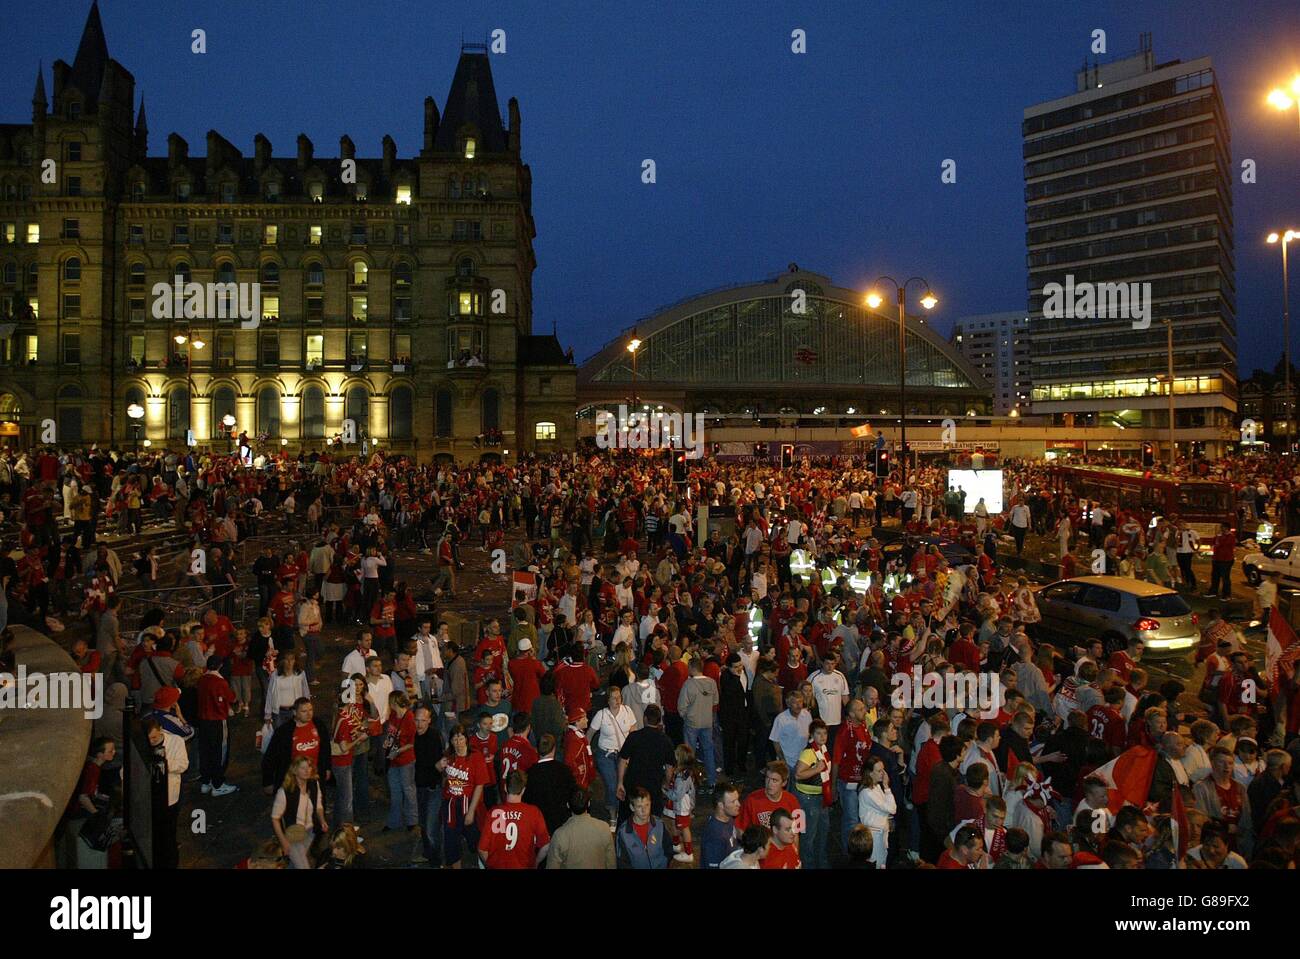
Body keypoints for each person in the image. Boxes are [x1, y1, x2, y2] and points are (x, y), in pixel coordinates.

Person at [477, 769, 551, 868]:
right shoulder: (533, 812)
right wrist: (535, 863)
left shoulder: (493, 813)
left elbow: (482, 849)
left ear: (505, 788)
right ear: (523, 790)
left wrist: (490, 865)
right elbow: (546, 846)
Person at [617, 703, 677, 825]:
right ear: (659, 720)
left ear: (644, 718)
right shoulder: (665, 741)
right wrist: (665, 782)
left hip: (632, 784)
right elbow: (670, 767)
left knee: (626, 819)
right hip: (653, 787)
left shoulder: (634, 737)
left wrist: (620, 782)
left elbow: (623, 760)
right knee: (652, 822)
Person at [142, 717, 188, 870]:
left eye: (154, 737)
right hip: (150, 797)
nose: (152, 741)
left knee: (169, 833)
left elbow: (183, 765)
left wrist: (164, 764)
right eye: (149, 738)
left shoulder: (176, 741)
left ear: (160, 730)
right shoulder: (142, 744)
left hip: (170, 795)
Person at [589, 684, 637, 827]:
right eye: (614, 698)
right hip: (606, 755)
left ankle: (624, 810)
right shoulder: (601, 715)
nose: (617, 700)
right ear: (608, 700)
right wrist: (587, 753)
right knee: (611, 785)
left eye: (619, 697)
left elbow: (633, 733)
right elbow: (589, 735)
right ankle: (612, 813)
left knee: (625, 783)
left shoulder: (628, 711)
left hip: (624, 756)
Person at [271, 755, 328, 869]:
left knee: (295, 864)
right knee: (303, 866)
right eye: (303, 768)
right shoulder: (285, 791)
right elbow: (275, 818)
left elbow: (318, 806)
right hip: (293, 835)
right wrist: (283, 841)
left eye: (309, 767)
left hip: (310, 832)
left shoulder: (314, 784)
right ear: (295, 770)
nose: (307, 770)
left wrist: (322, 820)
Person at [196, 654, 238, 796]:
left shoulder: (201, 680)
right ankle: (218, 784)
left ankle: (206, 781)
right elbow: (231, 697)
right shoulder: (220, 682)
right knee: (219, 752)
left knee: (205, 751)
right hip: (217, 721)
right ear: (220, 666)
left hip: (203, 721)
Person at [793, 720, 833, 869]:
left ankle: (821, 860)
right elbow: (798, 774)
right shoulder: (809, 752)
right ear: (811, 735)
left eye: (825, 733)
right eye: (818, 733)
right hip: (808, 799)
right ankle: (809, 864)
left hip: (821, 797)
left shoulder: (823, 749)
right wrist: (816, 769)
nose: (822, 736)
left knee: (823, 832)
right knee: (809, 836)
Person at [547, 788, 617, 869]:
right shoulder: (604, 828)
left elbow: (552, 866)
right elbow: (611, 864)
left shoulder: (560, 835)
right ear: (589, 804)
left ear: (568, 805)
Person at [523, 733, 579, 836]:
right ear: (554, 749)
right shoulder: (564, 770)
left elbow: (526, 799)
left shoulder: (530, 773)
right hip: (560, 823)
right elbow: (573, 794)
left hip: (537, 824)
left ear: (537, 749)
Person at [677, 657, 719, 792]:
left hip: (692, 722)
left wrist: (685, 716)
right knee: (708, 751)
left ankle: (690, 781)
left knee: (689, 753)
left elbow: (681, 706)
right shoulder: (711, 683)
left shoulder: (688, 685)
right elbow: (715, 701)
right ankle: (712, 780)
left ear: (691, 668)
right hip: (707, 722)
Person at [384, 690, 419, 832]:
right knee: (395, 791)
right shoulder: (393, 715)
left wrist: (397, 751)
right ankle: (395, 821)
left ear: (394, 703)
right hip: (394, 760)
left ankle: (412, 820)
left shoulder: (409, 718)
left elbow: (412, 742)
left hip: (406, 760)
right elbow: (391, 732)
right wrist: (387, 743)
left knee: (408, 789)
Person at [858, 754, 897, 868]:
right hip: (874, 836)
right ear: (870, 773)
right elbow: (892, 809)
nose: (883, 774)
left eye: (883, 770)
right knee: (876, 863)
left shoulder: (876, 787)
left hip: (881, 833)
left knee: (882, 862)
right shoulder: (867, 792)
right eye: (879, 771)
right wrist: (887, 787)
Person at [616, 786, 670, 868]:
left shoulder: (659, 825)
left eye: (647, 805)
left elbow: (668, 849)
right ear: (632, 807)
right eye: (639, 806)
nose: (644, 810)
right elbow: (622, 863)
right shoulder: (624, 833)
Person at [699, 782, 741, 868]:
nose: (739, 804)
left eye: (737, 799)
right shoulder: (714, 836)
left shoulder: (729, 817)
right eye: (733, 802)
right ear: (721, 805)